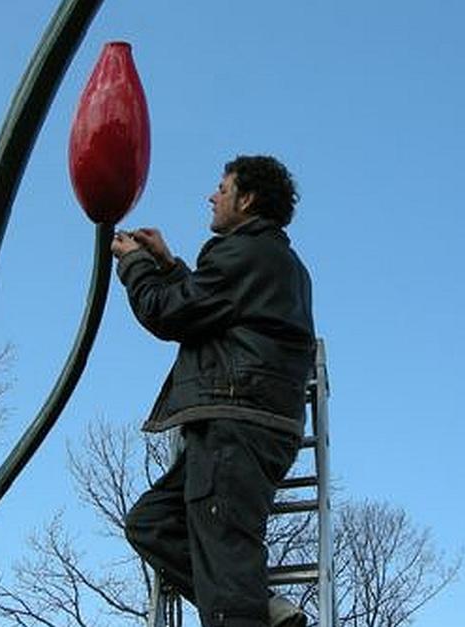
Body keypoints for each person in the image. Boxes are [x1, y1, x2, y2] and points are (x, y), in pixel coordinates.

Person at [111, 155, 314, 627]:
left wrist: (135, 266)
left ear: (246, 199)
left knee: (226, 564)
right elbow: (214, 309)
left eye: (222, 188)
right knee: (152, 522)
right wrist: (168, 264)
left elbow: (169, 313)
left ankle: (245, 608)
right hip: (251, 424)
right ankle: (260, 604)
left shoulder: (243, 254)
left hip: (235, 426)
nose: (211, 196)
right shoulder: (272, 260)